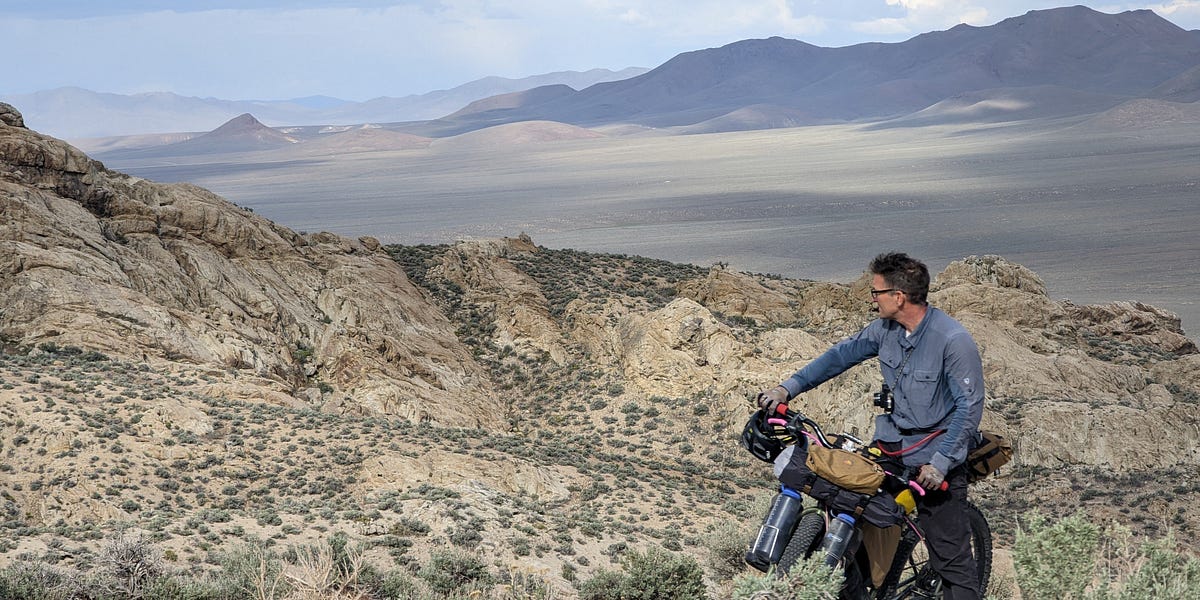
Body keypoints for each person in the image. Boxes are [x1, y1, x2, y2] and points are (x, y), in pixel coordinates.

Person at [759, 252, 985, 600]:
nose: (872, 299)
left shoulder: (952, 340)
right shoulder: (884, 330)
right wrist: (787, 389)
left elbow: (969, 409)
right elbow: (839, 356)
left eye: (876, 292)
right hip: (890, 447)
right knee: (850, 523)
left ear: (899, 297)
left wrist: (940, 464)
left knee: (952, 561)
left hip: (934, 458)